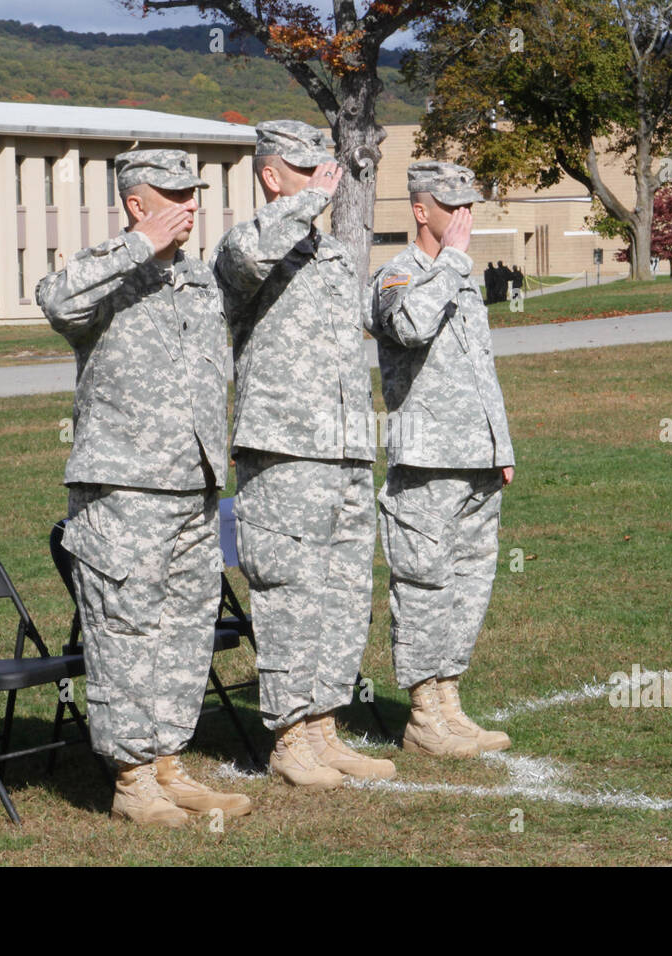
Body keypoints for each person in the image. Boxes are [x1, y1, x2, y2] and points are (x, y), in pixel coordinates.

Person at [36, 148, 250, 827]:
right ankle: (131, 780)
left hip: (195, 486)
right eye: (175, 194)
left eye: (195, 192)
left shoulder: (197, 280)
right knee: (125, 631)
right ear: (138, 203)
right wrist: (136, 248)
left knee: (184, 628)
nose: (191, 204)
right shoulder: (104, 273)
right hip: (124, 488)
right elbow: (55, 299)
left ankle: (167, 764)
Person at [211, 120, 394, 789]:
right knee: (290, 591)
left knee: (344, 594)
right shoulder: (247, 242)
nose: (325, 180)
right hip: (283, 447)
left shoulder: (334, 254)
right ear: (271, 173)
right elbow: (248, 259)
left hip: (345, 446)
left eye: (327, 170)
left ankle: (323, 726)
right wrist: (304, 202)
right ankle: (289, 738)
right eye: (308, 168)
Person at [365, 160, 516, 757]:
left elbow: (480, 369)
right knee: (425, 584)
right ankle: (424, 713)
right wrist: (451, 261)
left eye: (470, 206)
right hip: (427, 462)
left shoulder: (462, 278)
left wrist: (500, 446)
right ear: (420, 210)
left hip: (476, 458)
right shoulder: (396, 277)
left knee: (470, 583)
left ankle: (450, 701)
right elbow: (408, 328)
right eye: (452, 206)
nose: (464, 218)